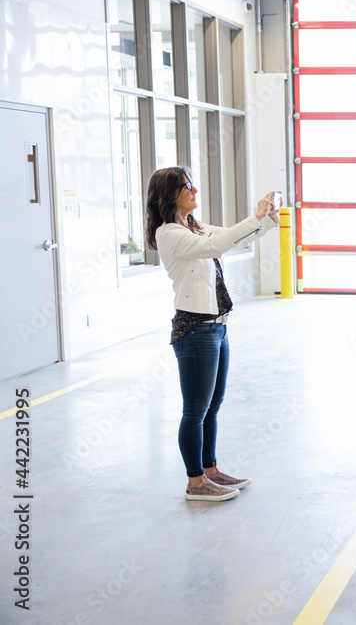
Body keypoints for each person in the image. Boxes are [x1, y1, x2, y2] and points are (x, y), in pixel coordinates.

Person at [144, 166, 280, 502]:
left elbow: (236, 236)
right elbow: (219, 245)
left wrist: (265, 218)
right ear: (170, 193)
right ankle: (195, 483)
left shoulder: (194, 227)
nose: (195, 190)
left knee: (212, 405)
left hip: (217, 326)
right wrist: (256, 217)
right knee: (195, 410)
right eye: (187, 185)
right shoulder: (170, 233)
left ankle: (211, 470)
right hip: (194, 330)